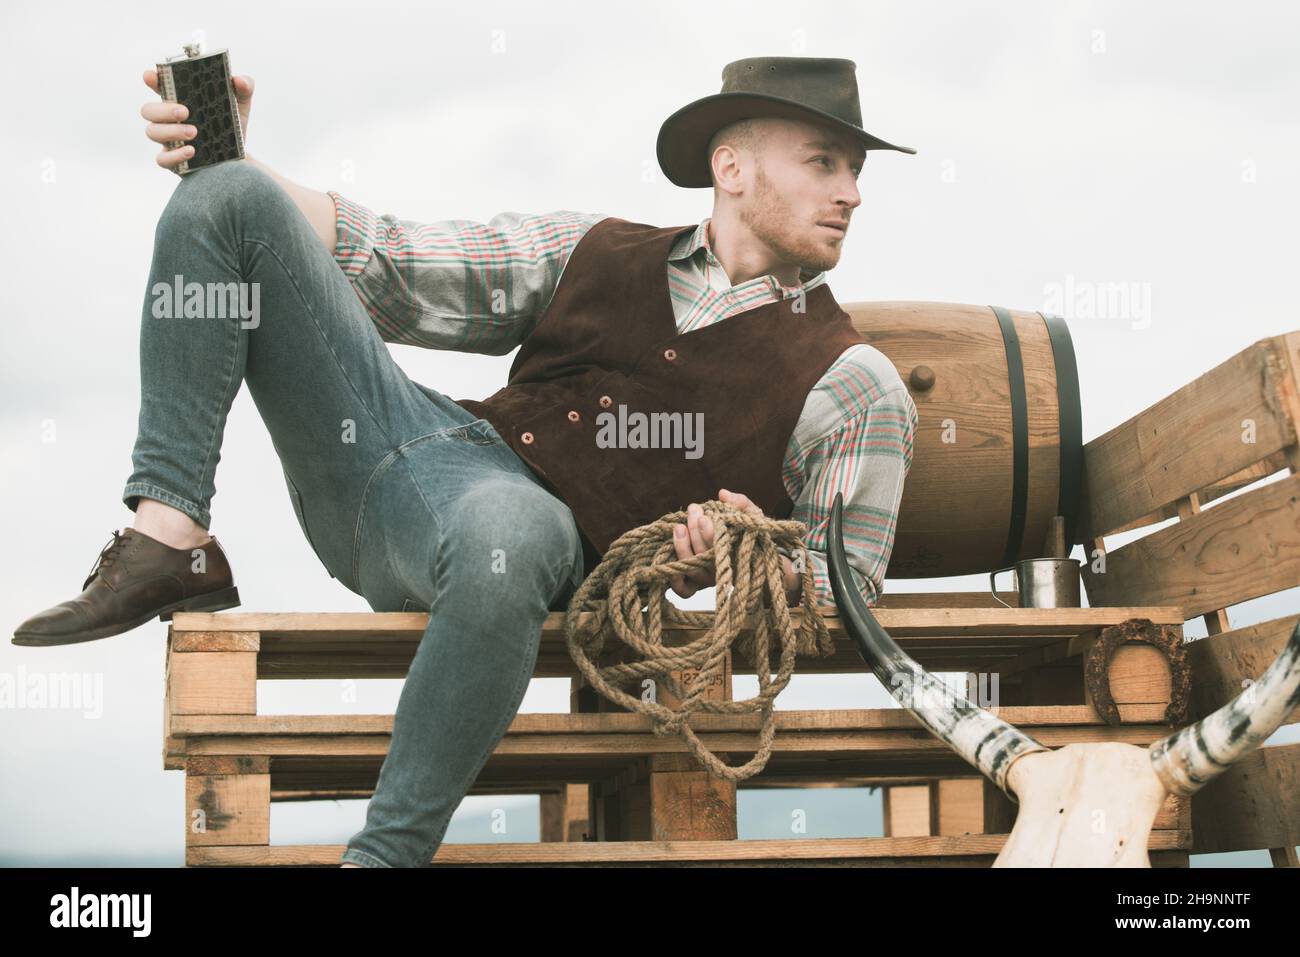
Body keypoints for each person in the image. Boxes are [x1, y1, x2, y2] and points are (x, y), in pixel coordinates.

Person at [11, 56, 919, 867]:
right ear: (733, 168)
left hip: (525, 543)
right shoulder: (591, 247)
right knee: (221, 196)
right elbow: (400, 267)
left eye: (855, 171)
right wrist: (241, 160)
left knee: (511, 527)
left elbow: (845, 598)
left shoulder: (853, 383)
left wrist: (733, 555)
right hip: (399, 444)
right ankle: (168, 535)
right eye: (824, 162)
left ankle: (383, 857)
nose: (851, 192)